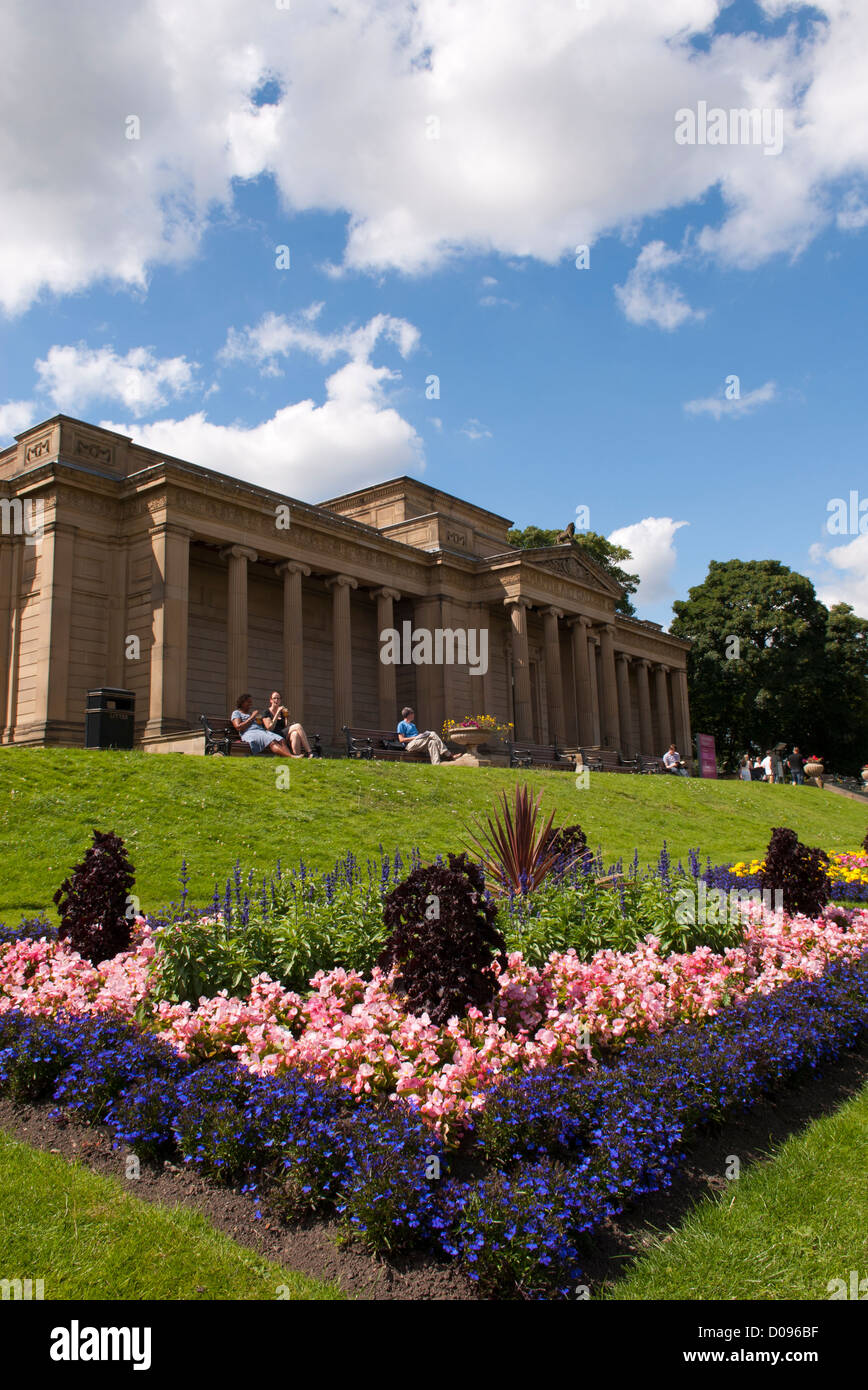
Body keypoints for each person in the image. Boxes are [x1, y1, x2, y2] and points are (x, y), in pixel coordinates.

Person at [262, 689, 314, 757]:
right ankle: (310, 752)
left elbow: (286, 727)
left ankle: (297, 757)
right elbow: (269, 728)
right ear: (271, 700)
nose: (276, 700)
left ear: (280, 700)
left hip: (283, 735)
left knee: (295, 734)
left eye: (278, 698)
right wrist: (277, 713)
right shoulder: (266, 712)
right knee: (298, 726)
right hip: (274, 736)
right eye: (274, 698)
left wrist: (287, 717)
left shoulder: (282, 712)